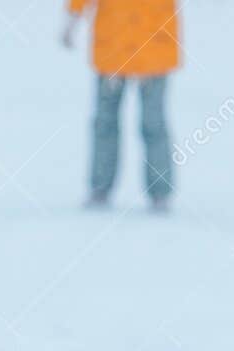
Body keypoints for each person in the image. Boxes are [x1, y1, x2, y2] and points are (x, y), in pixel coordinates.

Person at [62, 0, 181, 212]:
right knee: (105, 122)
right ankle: (100, 188)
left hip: (154, 48)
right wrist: (72, 18)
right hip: (112, 48)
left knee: (153, 123)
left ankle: (160, 193)